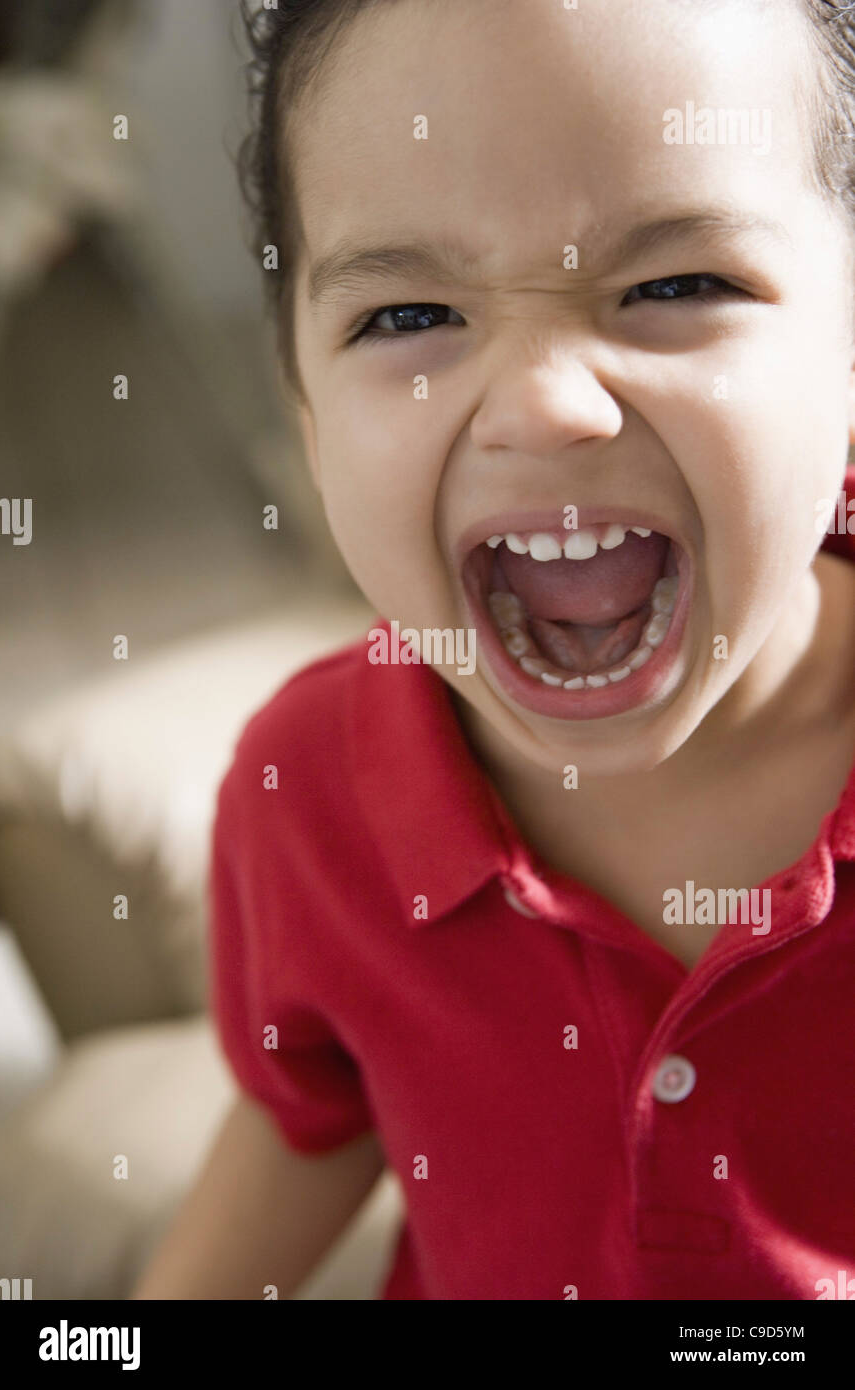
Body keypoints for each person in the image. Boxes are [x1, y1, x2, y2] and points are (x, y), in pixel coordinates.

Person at [131, 0, 855, 1299]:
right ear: (303, 411)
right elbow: (309, 1116)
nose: (540, 406)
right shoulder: (306, 790)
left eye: (675, 285)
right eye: (407, 317)